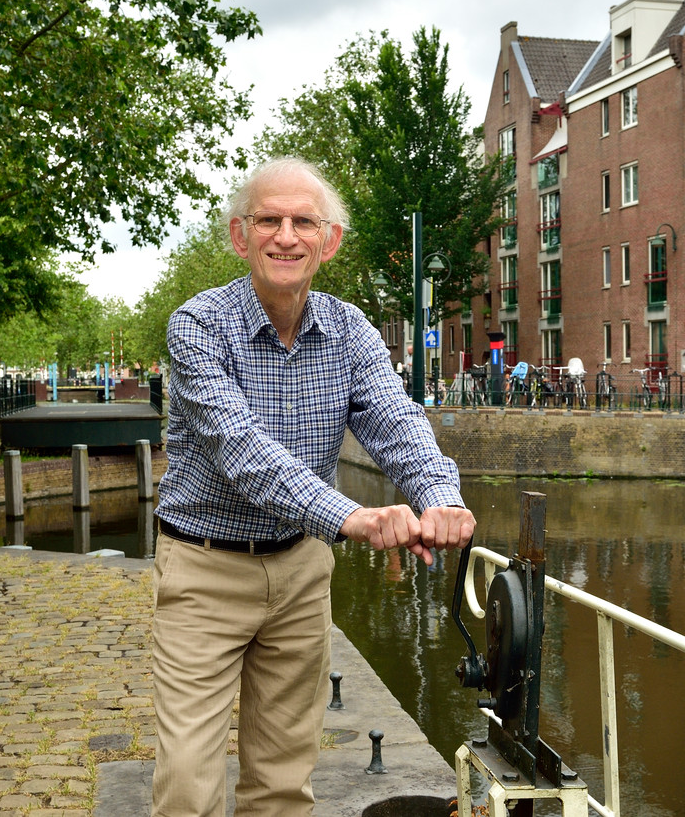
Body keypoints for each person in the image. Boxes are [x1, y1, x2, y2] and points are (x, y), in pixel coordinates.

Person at [152, 157, 475, 817]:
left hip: (300, 571)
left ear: (328, 243)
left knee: (282, 779)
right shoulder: (199, 325)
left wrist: (441, 496)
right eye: (268, 220)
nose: (286, 236)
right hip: (205, 570)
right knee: (187, 780)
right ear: (241, 238)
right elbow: (240, 450)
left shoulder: (350, 329)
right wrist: (351, 517)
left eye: (304, 221)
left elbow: (394, 419)